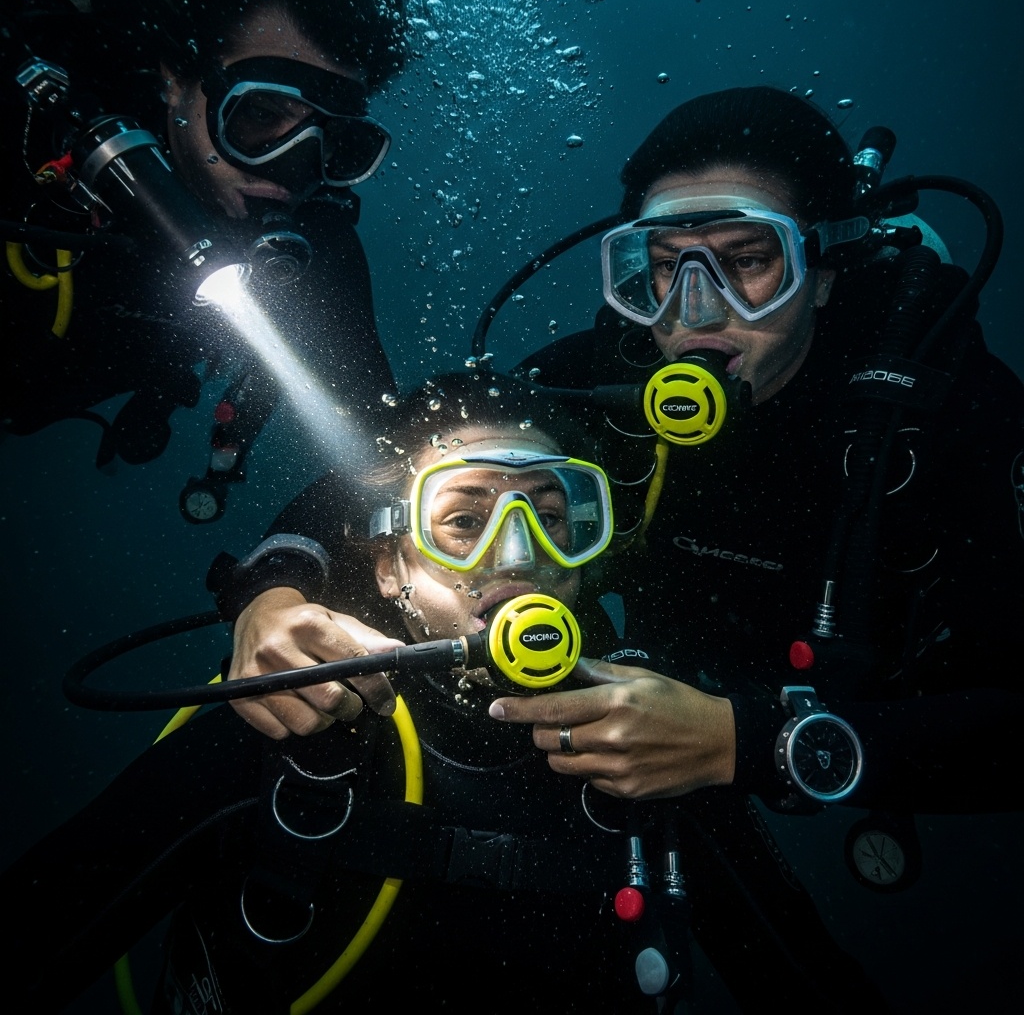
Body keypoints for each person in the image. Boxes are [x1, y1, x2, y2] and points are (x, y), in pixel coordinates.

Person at [212, 86, 1022, 1009]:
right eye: (662, 267)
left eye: (748, 261)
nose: (693, 309)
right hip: (648, 719)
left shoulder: (949, 422)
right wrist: (270, 596)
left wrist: (745, 742)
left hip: (820, 724)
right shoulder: (597, 387)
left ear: (826, 267)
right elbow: (395, 485)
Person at [2, 373, 685, 1013]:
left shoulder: (655, 747)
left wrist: (739, 741)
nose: (517, 555)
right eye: (464, 522)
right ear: (390, 567)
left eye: (550, 516)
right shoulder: (299, 727)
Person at [1, 0, 404, 512]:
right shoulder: (26, 144)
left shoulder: (313, 249)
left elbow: (385, 436)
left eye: (334, 141)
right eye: (259, 113)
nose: (293, 168)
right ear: (174, 80)